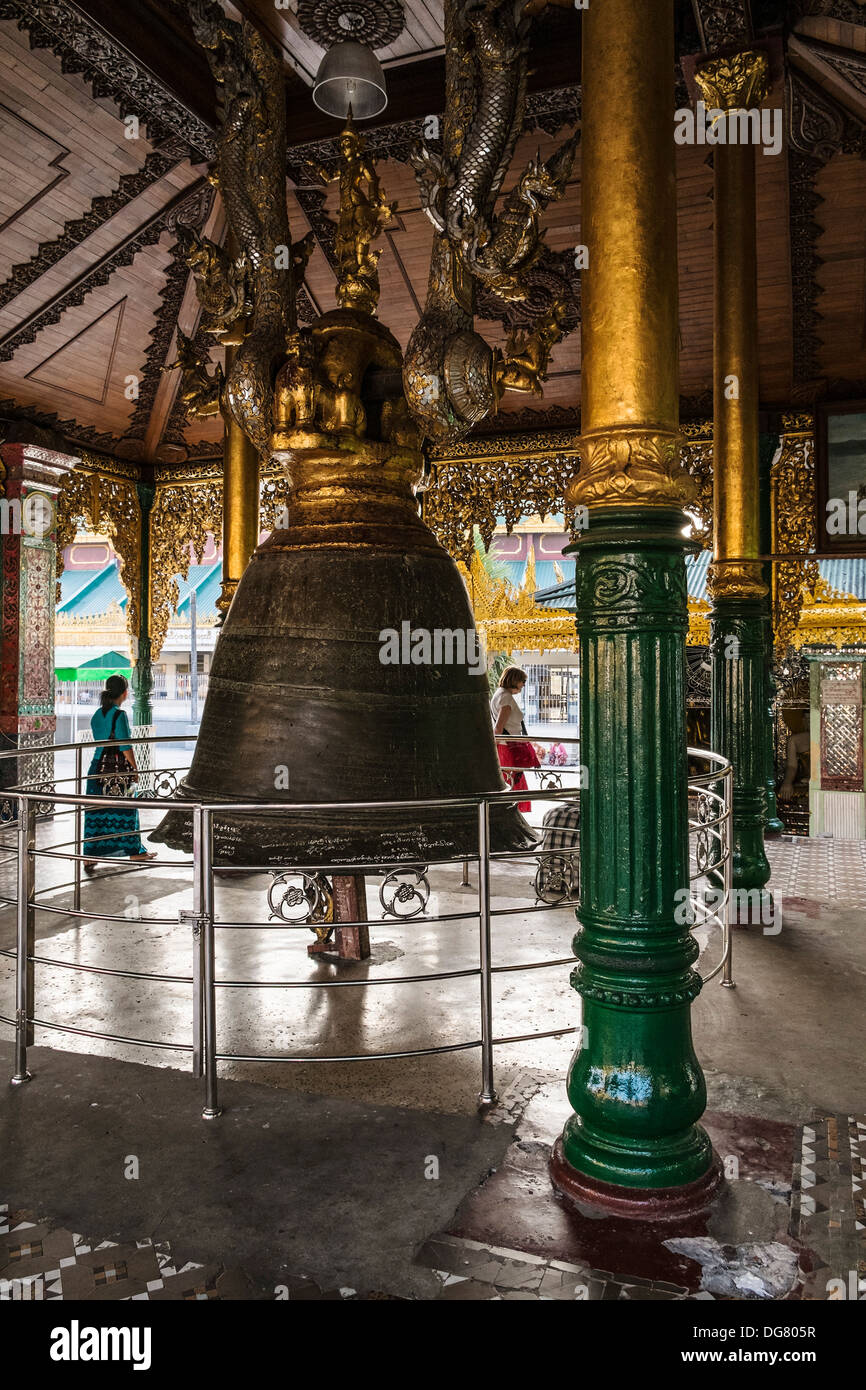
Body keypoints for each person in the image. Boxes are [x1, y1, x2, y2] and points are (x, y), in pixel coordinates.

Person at [82, 675, 155, 873]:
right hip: (119, 772)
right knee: (128, 810)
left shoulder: (97, 714)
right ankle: (134, 851)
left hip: (96, 770)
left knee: (96, 813)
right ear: (124, 693)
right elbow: (125, 746)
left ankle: (89, 856)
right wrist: (136, 769)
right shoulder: (119, 715)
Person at [490, 666, 540, 813]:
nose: (524, 684)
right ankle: (512, 815)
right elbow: (499, 727)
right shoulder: (505, 698)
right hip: (509, 747)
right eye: (522, 681)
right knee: (513, 785)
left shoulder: (500, 694)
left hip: (506, 746)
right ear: (515, 680)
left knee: (511, 782)